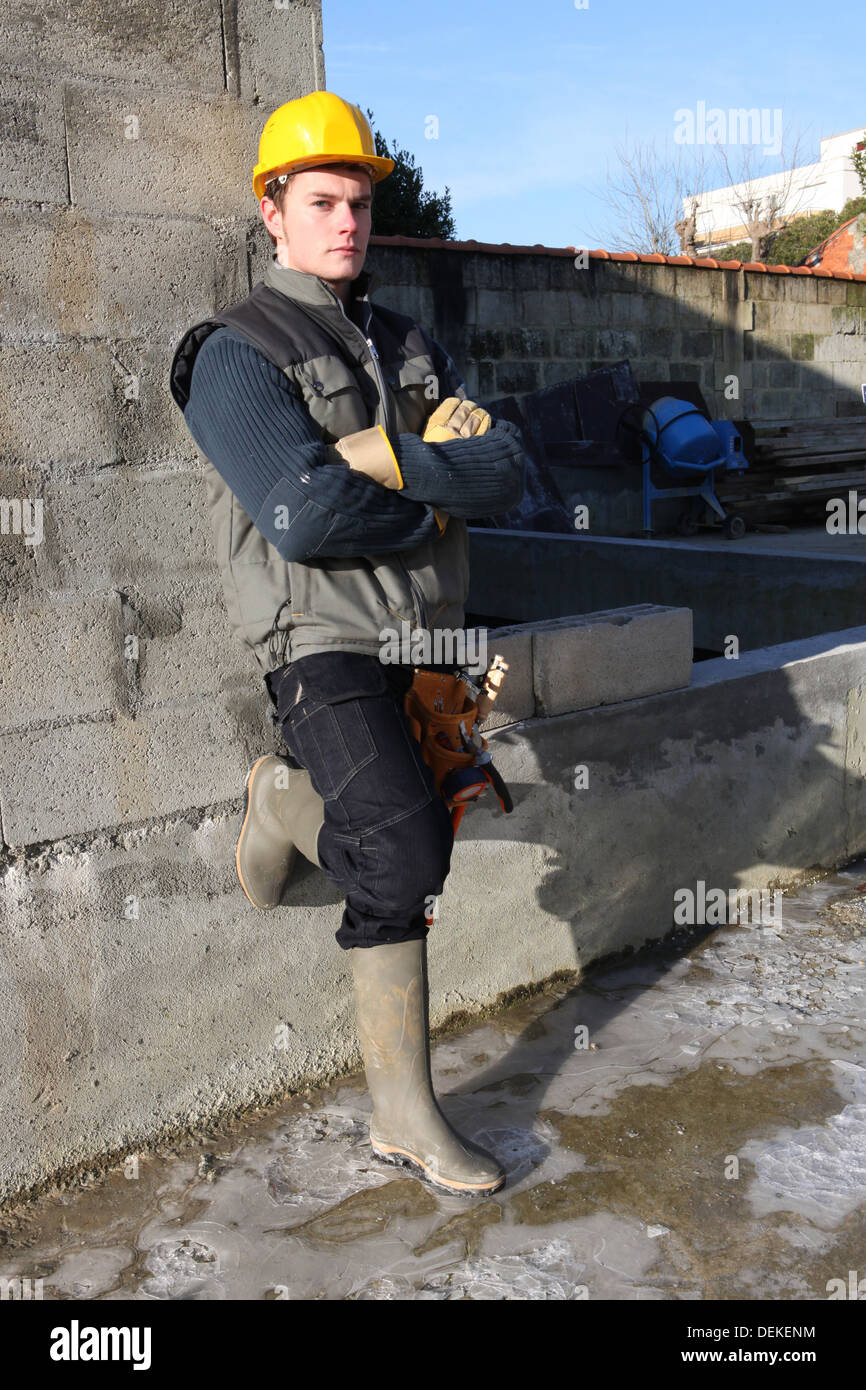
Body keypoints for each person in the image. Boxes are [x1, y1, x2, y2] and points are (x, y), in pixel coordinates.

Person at [169, 90, 527, 1195]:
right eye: (321, 200)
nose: (346, 223)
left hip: (422, 634)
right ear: (271, 213)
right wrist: (434, 496)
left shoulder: (408, 342)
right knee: (406, 851)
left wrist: (390, 456)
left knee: (413, 854)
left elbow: (510, 468)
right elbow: (302, 515)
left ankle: (285, 806)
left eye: (360, 201)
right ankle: (406, 1118)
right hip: (317, 640)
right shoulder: (235, 352)